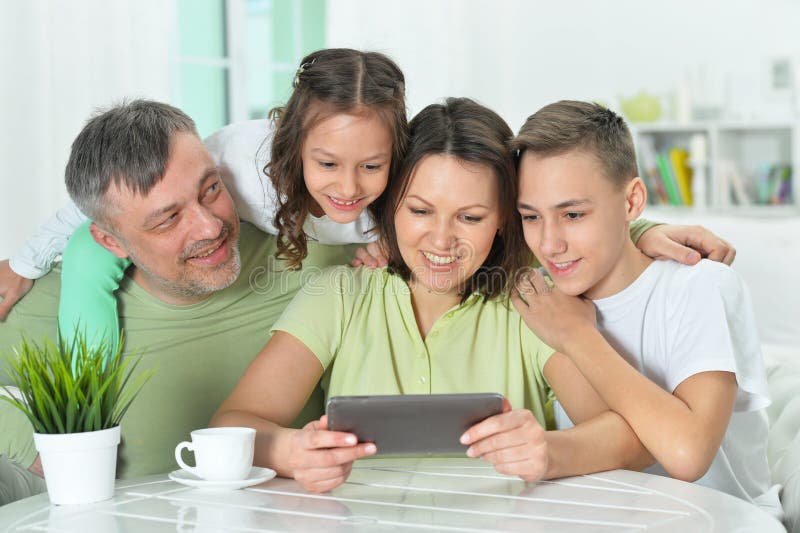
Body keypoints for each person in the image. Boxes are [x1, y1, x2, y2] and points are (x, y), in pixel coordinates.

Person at [211, 97, 657, 493]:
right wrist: (292, 452)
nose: (441, 241)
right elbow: (231, 425)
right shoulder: (338, 296)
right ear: (391, 206)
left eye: (470, 217)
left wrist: (549, 451)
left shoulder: (531, 303)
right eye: (421, 211)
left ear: (504, 218)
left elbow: (631, 437)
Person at [0, 100, 358, 504]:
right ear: (110, 241)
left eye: (211, 189)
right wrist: (24, 438)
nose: (210, 227)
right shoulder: (44, 301)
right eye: (168, 219)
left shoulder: (313, 254)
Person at [0, 48, 408, 354]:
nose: (348, 188)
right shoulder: (240, 163)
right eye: (328, 164)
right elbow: (114, 192)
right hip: (121, 235)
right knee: (86, 252)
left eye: (372, 166)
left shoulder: (406, 189)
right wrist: (23, 264)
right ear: (294, 145)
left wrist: (391, 241)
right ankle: (87, 394)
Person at [510, 100, 781, 518]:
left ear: (632, 201)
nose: (549, 243)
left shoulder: (700, 286)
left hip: (725, 521)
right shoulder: (545, 300)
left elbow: (688, 454)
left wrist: (577, 336)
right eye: (531, 217)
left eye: (573, 214)